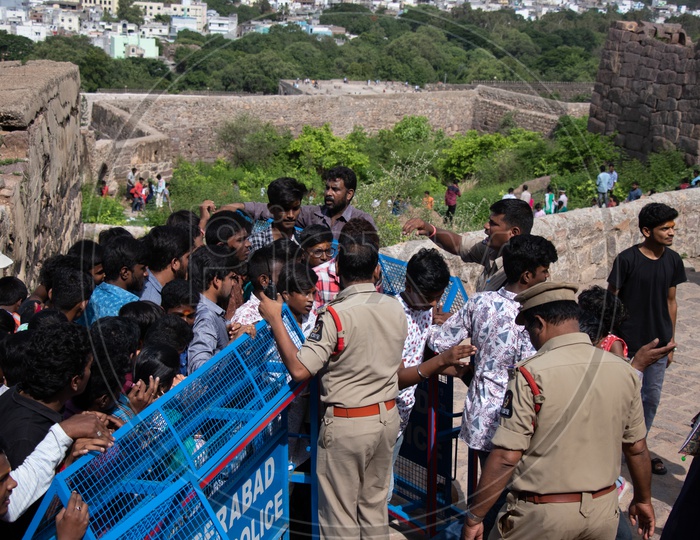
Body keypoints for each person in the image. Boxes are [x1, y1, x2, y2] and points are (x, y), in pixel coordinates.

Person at [461, 282, 655, 540]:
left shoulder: (530, 374)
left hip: (542, 517)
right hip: (602, 513)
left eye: (528, 329)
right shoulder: (623, 371)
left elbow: (507, 456)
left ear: (539, 324)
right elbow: (637, 447)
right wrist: (643, 499)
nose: (529, 337)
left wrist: (475, 517)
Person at [259, 217, 407, 538]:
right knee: (373, 511)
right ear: (377, 271)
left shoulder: (335, 315)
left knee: (339, 519)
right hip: (386, 420)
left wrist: (275, 320)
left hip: (347, 426)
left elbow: (300, 369)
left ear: (337, 273)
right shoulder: (395, 308)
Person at [429, 234, 557, 536]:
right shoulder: (544, 313)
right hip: (527, 419)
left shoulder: (482, 303)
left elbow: (440, 341)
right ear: (528, 276)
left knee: (490, 482)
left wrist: (434, 327)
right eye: (544, 271)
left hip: (483, 414)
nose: (547, 276)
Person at [390, 249, 476, 500]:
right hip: (383, 414)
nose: (432, 305)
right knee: (377, 491)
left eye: (437, 298)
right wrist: (443, 360)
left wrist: (460, 370)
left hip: (402, 415)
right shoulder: (392, 316)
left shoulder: (427, 311)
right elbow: (397, 378)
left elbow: (422, 357)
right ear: (408, 284)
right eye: (428, 297)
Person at [607, 203, 687, 475]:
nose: (670, 233)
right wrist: (609, 340)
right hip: (627, 343)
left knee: (650, 398)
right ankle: (606, 446)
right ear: (646, 231)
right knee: (620, 398)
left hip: (658, 345)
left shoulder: (674, 260)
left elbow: (671, 301)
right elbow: (611, 301)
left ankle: (637, 447)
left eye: (672, 228)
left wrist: (671, 342)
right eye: (664, 228)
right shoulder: (627, 260)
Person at [0, 323, 97, 538]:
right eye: (90, 367)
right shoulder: (27, 438)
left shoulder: (19, 394)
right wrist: (68, 463)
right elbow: (26, 521)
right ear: (75, 381)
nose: (12, 483)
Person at [403, 199, 534, 293]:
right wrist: (429, 229)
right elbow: (459, 244)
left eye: (493, 223)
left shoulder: (521, 276)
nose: (486, 226)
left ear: (513, 232)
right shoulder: (492, 251)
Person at [228, 167, 375, 239]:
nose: (328, 193)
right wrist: (241, 206)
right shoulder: (312, 214)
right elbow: (278, 209)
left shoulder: (362, 221)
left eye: (335, 189)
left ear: (349, 194)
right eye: (327, 188)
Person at [187, 245, 251, 374]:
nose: (233, 284)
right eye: (231, 278)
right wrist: (233, 343)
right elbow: (199, 368)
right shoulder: (205, 315)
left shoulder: (205, 311)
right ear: (217, 280)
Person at [82, 236, 149, 326]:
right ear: (125, 272)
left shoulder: (89, 297)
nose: (146, 274)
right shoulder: (131, 308)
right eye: (143, 269)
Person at [247, 177, 307, 254]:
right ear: (271, 208)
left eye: (295, 208)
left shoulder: (304, 242)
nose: (291, 215)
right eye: (285, 209)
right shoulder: (255, 243)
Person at [140, 226, 191, 305]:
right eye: (188, 257)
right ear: (175, 263)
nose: (191, 262)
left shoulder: (146, 285)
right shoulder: (152, 302)